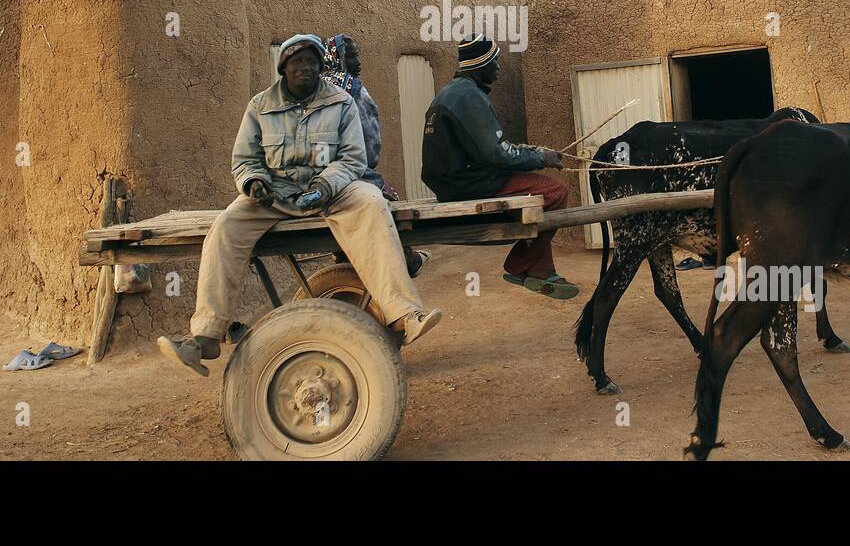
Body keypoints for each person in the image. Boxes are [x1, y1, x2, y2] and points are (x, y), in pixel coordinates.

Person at [158, 34, 441, 376]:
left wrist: (325, 185)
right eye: (297, 62)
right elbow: (245, 159)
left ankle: (404, 315)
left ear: (321, 67)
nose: (304, 68)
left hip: (333, 192)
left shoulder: (341, 102)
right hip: (276, 195)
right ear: (283, 68)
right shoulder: (259, 106)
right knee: (226, 226)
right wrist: (255, 182)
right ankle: (205, 336)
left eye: (311, 62)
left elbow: (354, 158)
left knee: (371, 202)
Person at [421, 35, 579, 300]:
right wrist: (543, 159)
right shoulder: (469, 97)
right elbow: (497, 156)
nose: (499, 67)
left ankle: (540, 267)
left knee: (539, 192)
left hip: (453, 181)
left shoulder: (452, 93)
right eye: (495, 61)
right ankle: (521, 264)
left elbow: (490, 147)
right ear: (481, 63)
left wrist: (531, 151)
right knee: (555, 192)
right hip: (469, 183)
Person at [322, 33, 429, 277]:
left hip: (313, 178)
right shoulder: (352, 88)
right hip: (347, 176)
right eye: (352, 56)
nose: (358, 61)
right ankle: (407, 260)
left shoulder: (311, 87)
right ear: (339, 58)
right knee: (388, 198)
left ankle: (343, 259)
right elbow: (370, 143)